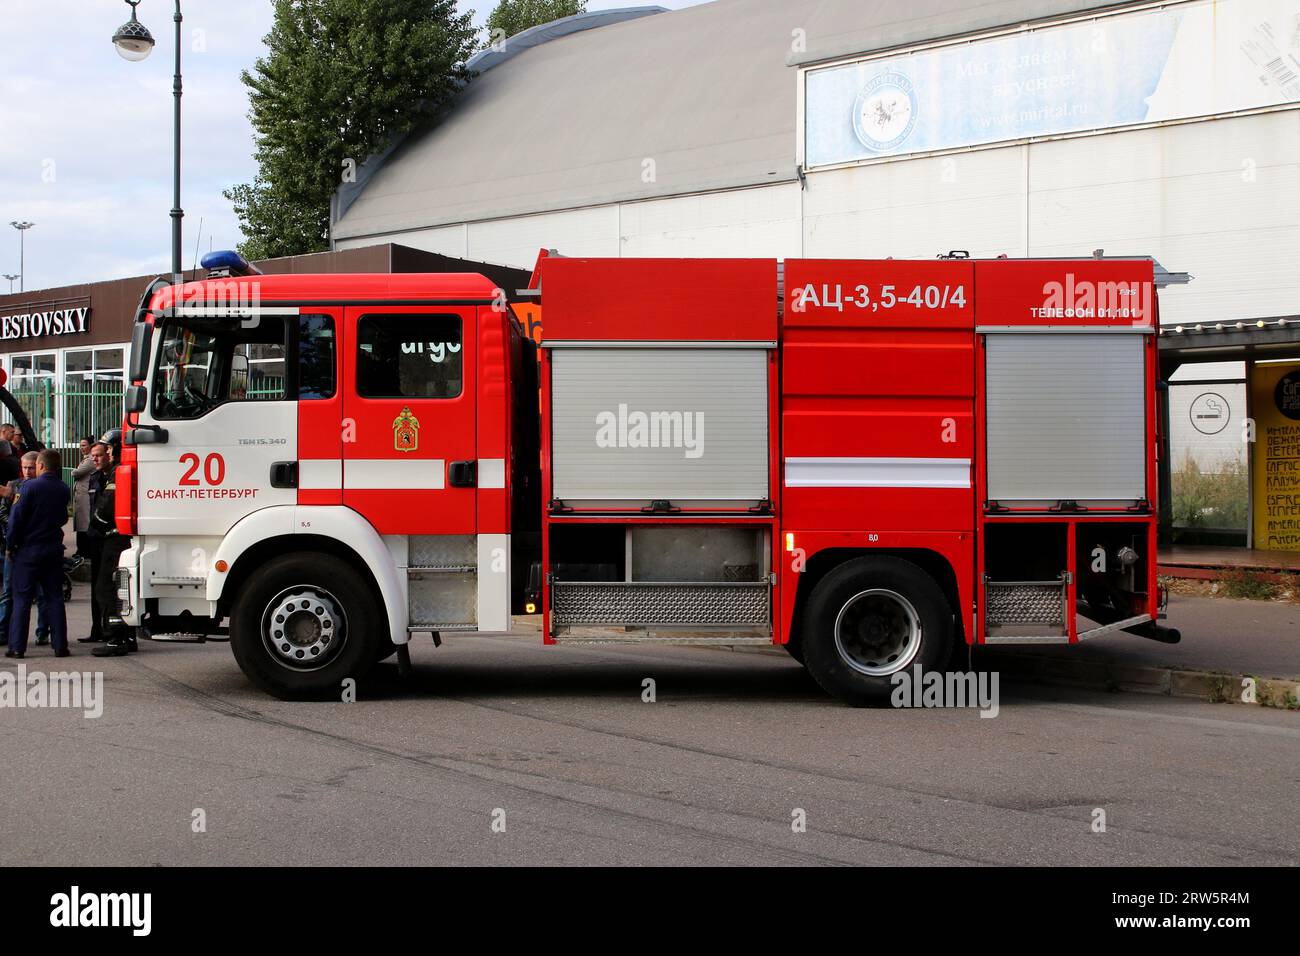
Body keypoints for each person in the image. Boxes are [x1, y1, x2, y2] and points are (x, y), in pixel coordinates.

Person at [4, 449, 69, 659]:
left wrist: (10, 546)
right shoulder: (63, 488)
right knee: (54, 598)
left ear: (40, 465)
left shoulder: (29, 487)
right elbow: (62, 518)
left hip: (29, 550)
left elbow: (15, 520)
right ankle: (60, 646)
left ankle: (17, 647)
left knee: (22, 598)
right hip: (53, 549)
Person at [92, 431, 136, 657]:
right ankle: (128, 636)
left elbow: (106, 509)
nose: (106, 453)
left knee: (107, 589)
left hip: (116, 538)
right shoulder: (121, 471)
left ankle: (115, 638)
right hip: (125, 537)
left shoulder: (118, 473)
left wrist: (96, 521)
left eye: (108, 449)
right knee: (124, 587)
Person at [0, 452, 52, 646]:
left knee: (42, 594)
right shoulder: (13, 485)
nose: (28, 471)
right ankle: (3, 632)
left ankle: (42, 633)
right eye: (24, 467)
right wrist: (13, 534)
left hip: (35, 547)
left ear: (39, 466)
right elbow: (3, 513)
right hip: (13, 546)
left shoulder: (44, 487)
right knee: (8, 592)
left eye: (31, 467)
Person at [77, 442, 112, 644]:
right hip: (96, 539)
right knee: (96, 588)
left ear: (108, 454)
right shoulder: (95, 478)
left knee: (108, 588)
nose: (95, 459)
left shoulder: (113, 476)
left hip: (110, 538)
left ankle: (112, 630)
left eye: (99, 455)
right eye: (93, 456)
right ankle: (96, 629)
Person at [71, 436, 96, 558]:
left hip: (85, 497)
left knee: (84, 524)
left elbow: (76, 472)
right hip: (81, 496)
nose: (82, 448)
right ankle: (81, 550)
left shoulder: (90, 460)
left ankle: (84, 551)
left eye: (84, 445)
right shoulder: (86, 459)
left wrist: (74, 471)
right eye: (81, 445)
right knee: (81, 523)